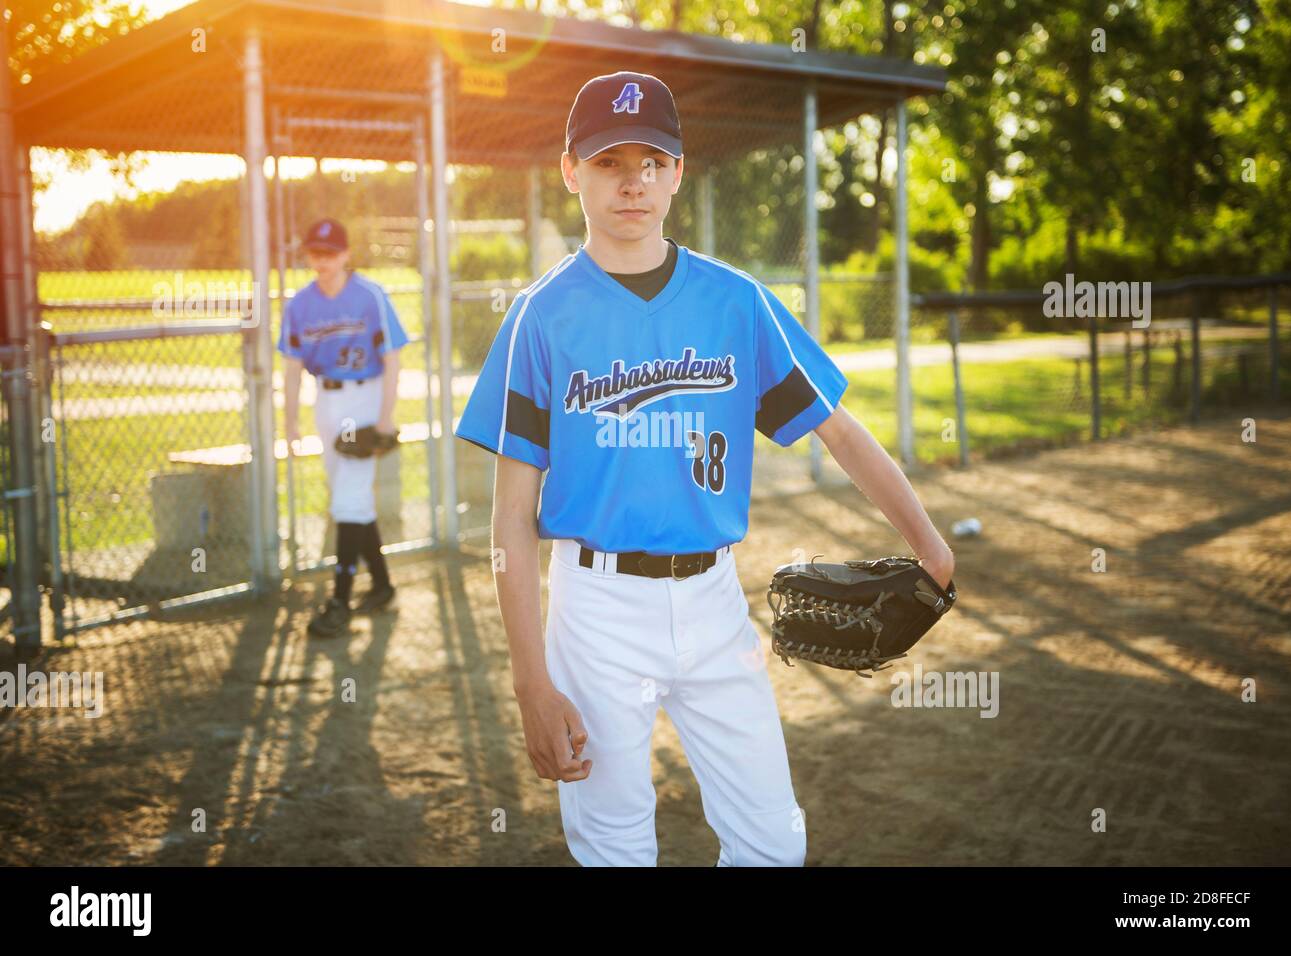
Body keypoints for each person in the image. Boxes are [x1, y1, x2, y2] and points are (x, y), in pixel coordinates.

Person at [454, 72, 954, 866]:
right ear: (569, 171)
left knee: (771, 842)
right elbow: (511, 516)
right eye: (609, 160)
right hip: (595, 608)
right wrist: (529, 681)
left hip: (717, 601)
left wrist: (930, 543)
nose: (632, 180)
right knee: (614, 843)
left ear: (679, 172)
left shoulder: (735, 302)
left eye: (651, 160)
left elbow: (838, 430)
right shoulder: (540, 317)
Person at [277, 218, 409, 638]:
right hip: (328, 400)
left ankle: (340, 601)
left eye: (330, 252)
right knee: (350, 497)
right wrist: (291, 422)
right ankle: (384, 586)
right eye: (315, 252)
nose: (322, 260)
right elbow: (293, 366)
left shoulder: (369, 296)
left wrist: (385, 418)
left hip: (364, 398)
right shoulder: (299, 305)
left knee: (348, 501)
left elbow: (392, 359)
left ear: (346, 254)